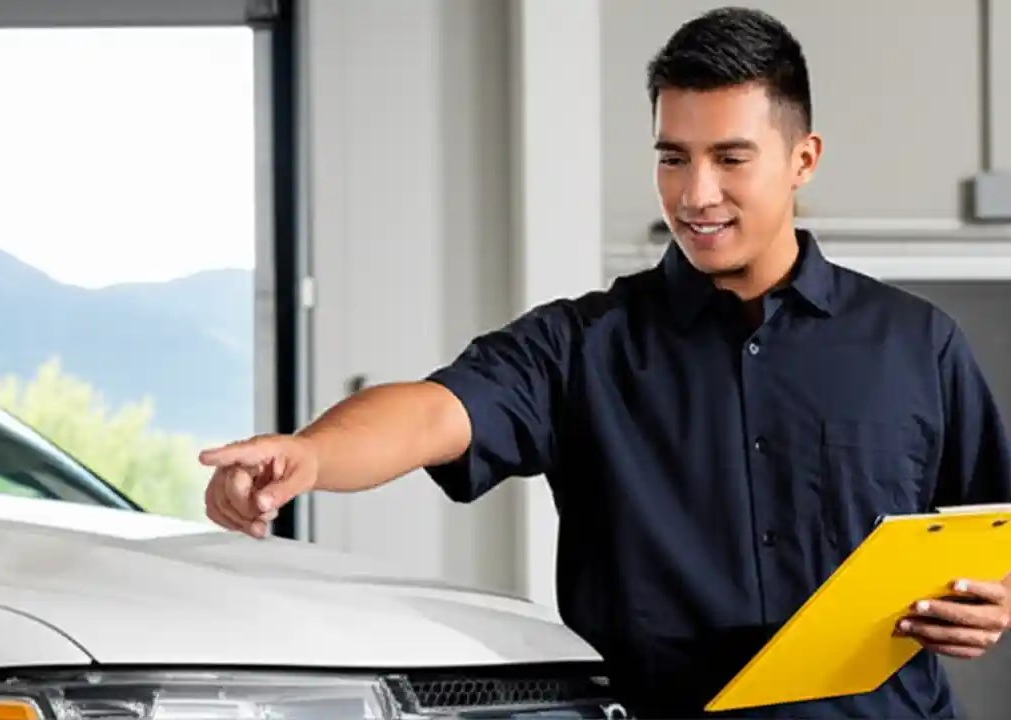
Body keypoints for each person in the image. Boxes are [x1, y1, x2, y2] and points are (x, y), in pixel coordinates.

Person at [199, 6, 1011, 718]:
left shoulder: (916, 342)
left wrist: (988, 602)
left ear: (803, 159)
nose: (695, 195)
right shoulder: (581, 346)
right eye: (672, 156)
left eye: (730, 158)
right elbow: (430, 412)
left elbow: (989, 533)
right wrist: (311, 453)